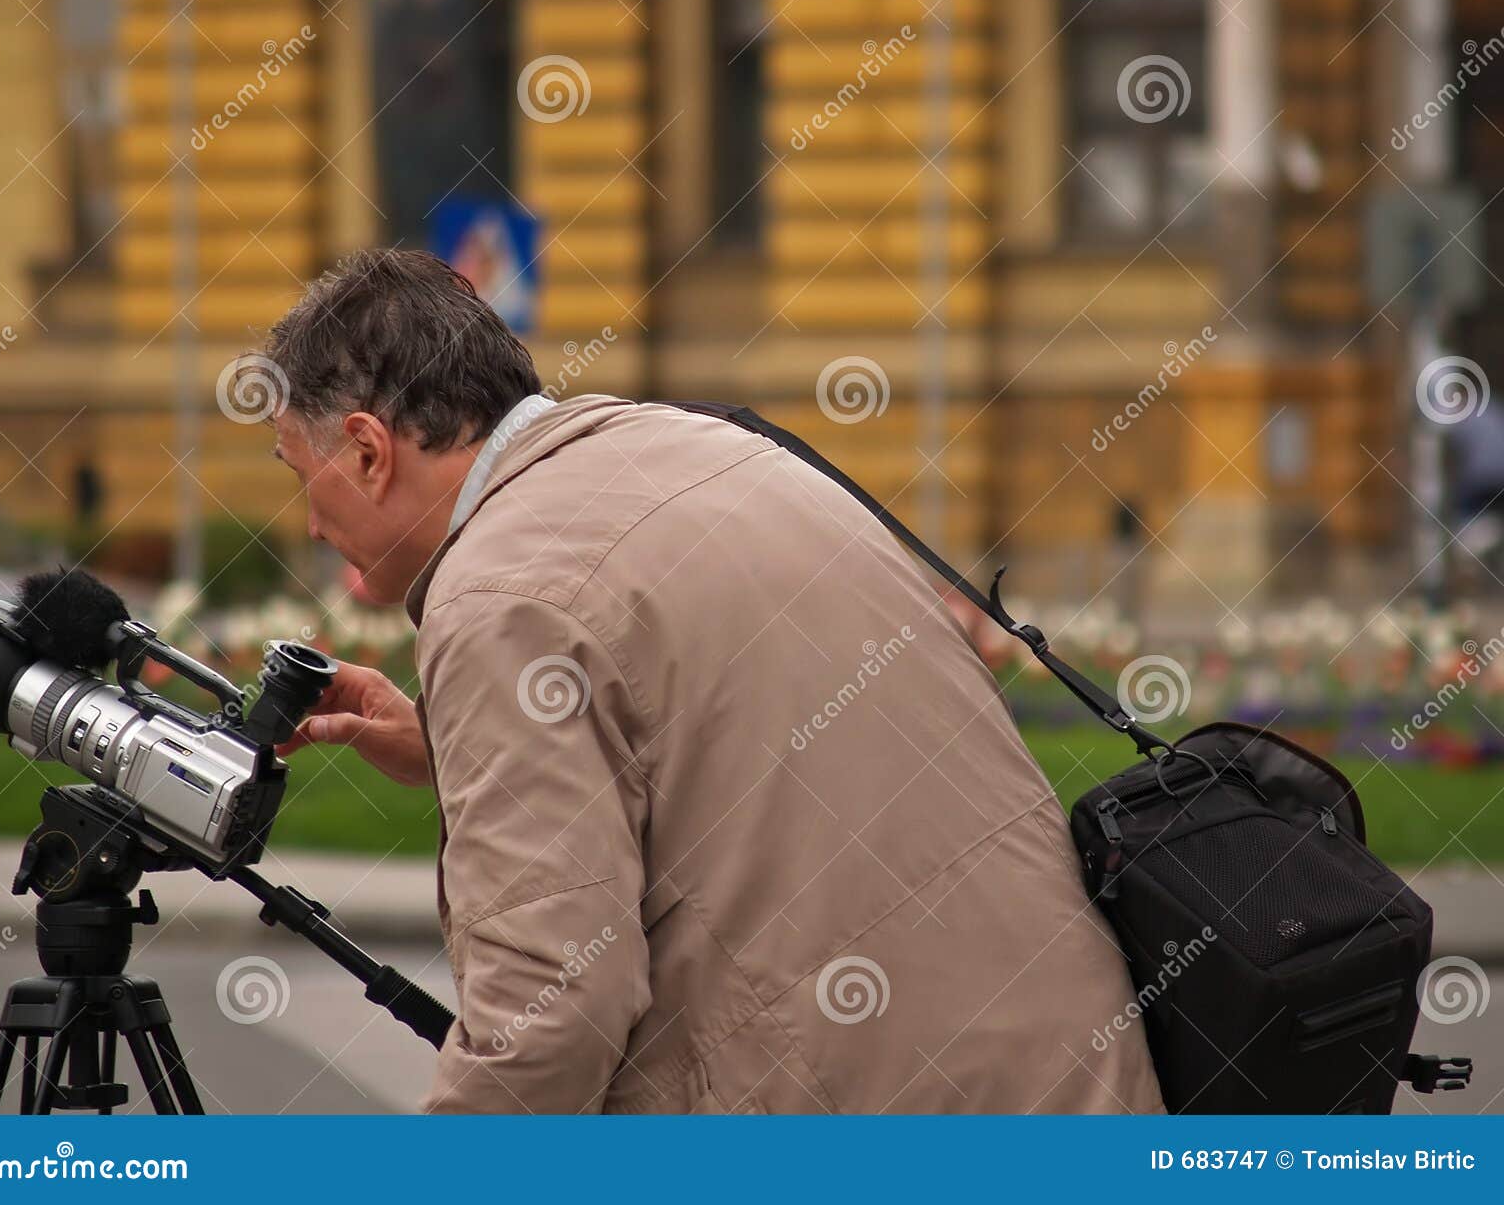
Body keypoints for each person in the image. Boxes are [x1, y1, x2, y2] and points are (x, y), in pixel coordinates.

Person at [256, 248, 1163, 1115]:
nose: (313, 524)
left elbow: (547, 1017)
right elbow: (735, 741)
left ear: (368, 450)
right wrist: (452, 742)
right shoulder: (718, 448)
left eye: (303, 475)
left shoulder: (496, 596)